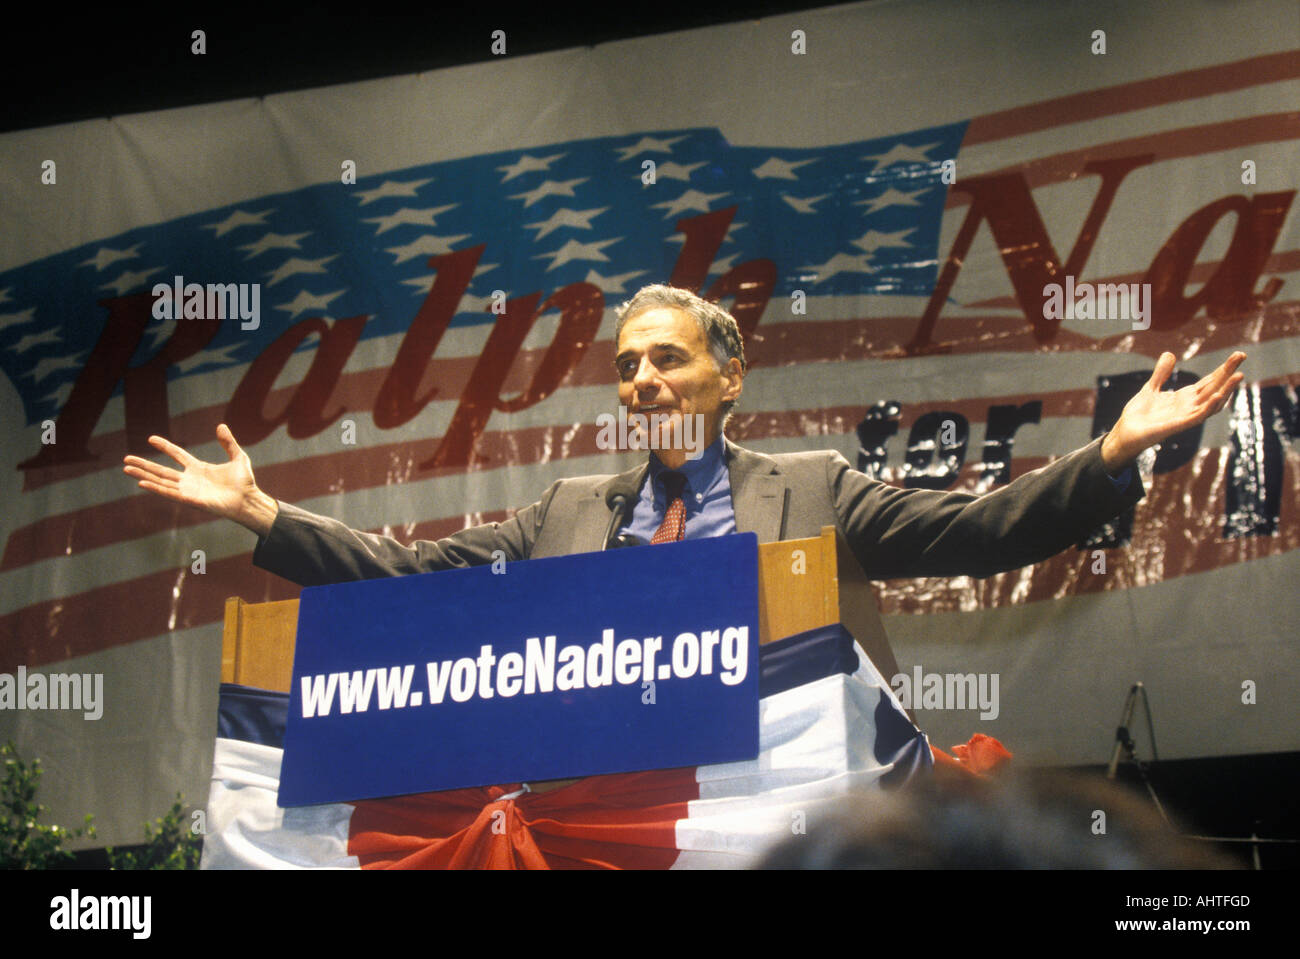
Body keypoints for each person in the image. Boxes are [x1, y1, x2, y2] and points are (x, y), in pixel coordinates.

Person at [123, 284, 1246, 589]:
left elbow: (980, 530)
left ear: (728, 372)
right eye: (626, 364)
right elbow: (410, 572)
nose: (644, 377)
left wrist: (1107, 456)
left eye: (668, 357)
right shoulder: (564, 513)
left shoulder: (814, 488)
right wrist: (264, 514)